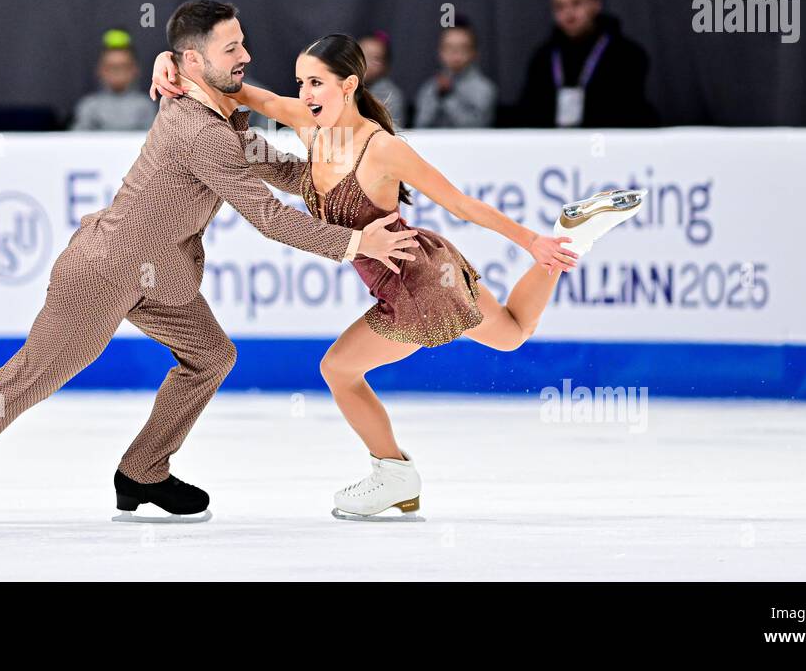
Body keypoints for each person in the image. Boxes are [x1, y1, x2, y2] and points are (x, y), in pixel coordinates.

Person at [0, 1, 419, 520]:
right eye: (231, 48)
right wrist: (354, 243)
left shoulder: (216, 109)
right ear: (193, 61)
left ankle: (143, 471)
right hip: (107, 268)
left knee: (211, 356)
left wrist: (347, 181)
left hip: (162, 274)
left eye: (243, 44)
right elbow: (269, 217)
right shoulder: (198, 130)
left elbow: (272, 164)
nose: (246, 56)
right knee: (40, 371)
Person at [151, 34, 645, 518]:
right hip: (425, 267)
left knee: (339, 370)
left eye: (317, 83)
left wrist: (528, 240)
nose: (304, 94)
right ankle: (571, 237)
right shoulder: (307, 121)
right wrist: (169, 62)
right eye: (300, 82)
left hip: (418, 284)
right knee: (514, 332)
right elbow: (235, 88)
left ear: (348, 85)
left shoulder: (382, 148)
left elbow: (461, 203)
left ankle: (394, 474)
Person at [514, 0, 659, 128]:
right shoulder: (543, 58)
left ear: (596, 4)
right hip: (558, 146)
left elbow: (627, 110)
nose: (568, 13)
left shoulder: (626, 55)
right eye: (559, 6)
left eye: (576, 3)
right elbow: (529, 112)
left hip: (609, 144)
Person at [411, 17, 497, 128]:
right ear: (440, 52)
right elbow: (420, 127)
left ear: (475, 52)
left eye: (463, 48)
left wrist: (448, 97)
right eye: (449, 47)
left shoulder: (485, 89)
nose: (455, 53)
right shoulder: (429, 88)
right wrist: (437, 97)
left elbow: (478, 127)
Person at [69, 29, 156, 131]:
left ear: (135, 70)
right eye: (111, 67)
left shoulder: (146, 107)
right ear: (100, 70)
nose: (117, 72)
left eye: (124, 66)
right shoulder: (89, 106)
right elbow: (76, 141)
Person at [358, 31, 406, 126]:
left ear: (386, 66)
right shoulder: (340, 87)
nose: (365, 63)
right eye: (361, 55)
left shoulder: (390, 96)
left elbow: (392, 131)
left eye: (375, 59)